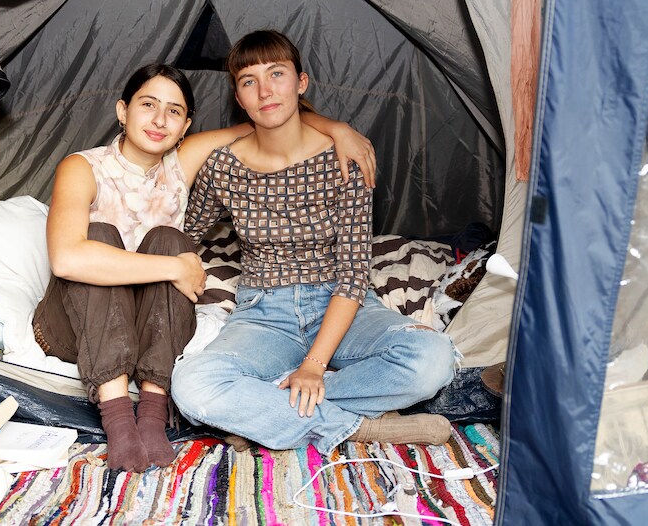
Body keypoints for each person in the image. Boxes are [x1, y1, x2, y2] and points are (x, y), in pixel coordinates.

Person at [31, 63, 375, 472]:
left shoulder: (183, 161)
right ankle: (119, 419)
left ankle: (154, 415)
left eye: (174, 111)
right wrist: (172, 269)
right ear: (122, 111)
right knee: (103, 236)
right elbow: (67, 258)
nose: (160, 120)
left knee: (172, 240)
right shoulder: (82, 167)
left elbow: (267, 119)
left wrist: (339, 129)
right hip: (74, 328)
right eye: (148, 105)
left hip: (145, 332)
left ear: (185, 126)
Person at [172, 31, 457, 456]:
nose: (265, 90)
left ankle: (265, 409)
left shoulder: (346, 157)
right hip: (263, 315)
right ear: (239, 97)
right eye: (249, 81)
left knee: (432, 359)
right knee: (192, 385)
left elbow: (354, 273)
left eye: (277, 74)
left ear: (301, 83)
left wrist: (314, 366)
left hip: (342, 306)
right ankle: (359, 427)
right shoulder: (223, 166)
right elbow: (183, 234)